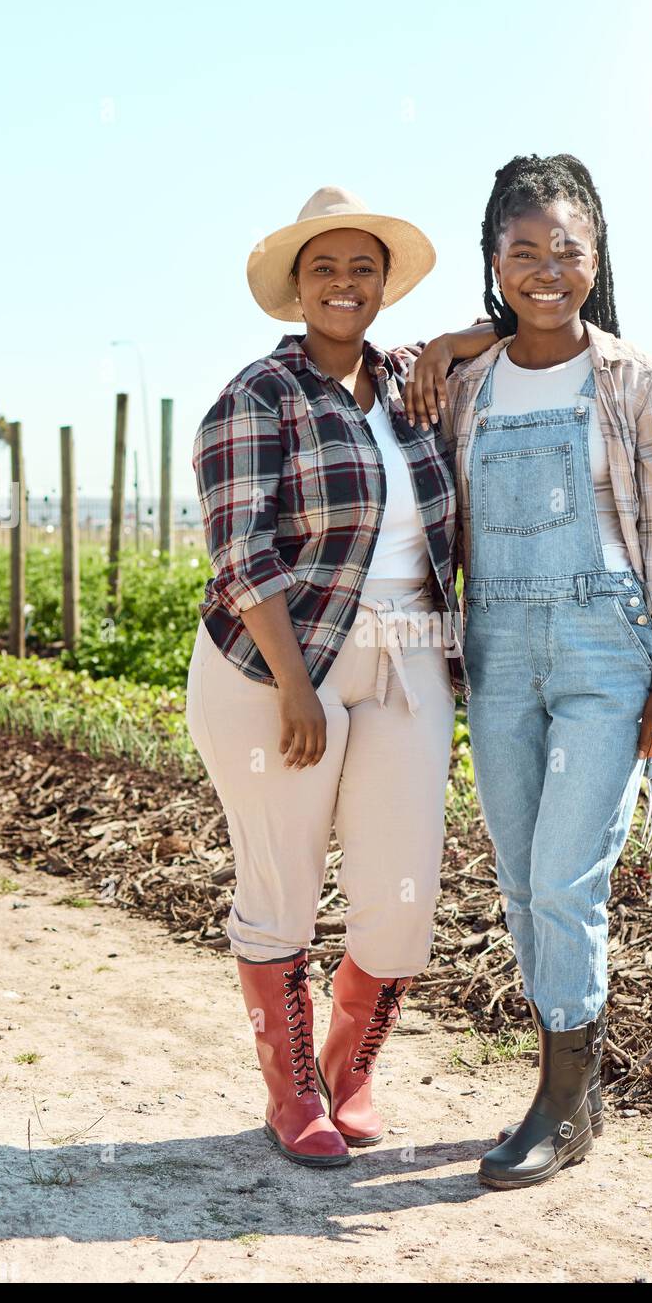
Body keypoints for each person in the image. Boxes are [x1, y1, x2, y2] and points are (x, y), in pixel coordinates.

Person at [408, 154, 652, 1189]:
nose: (546, 269)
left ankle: (560, 1103)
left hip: (603, 644)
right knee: (516, 874)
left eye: (566, 250)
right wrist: (452, 338)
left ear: (596, 258)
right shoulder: (464, 382)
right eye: (522, 250)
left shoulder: (632, 379)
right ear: (493, 259)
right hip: (494, 648)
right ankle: (569, 1088)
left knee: (563, 875)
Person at [187, 187, 493, 1167]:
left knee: (401, 898)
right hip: (277, 661)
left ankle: (348, 1069)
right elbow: (243, 555)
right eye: (324, 268)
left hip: (407, 659)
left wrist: (454, 338)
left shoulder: (407, 381)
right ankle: (291, 1096)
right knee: (280, 880)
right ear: (294, 289)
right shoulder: (256, 397)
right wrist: (291, 686)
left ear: (382, 285)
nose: (344, 284)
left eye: (362, 267)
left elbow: (527, 316)